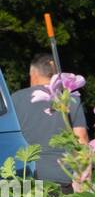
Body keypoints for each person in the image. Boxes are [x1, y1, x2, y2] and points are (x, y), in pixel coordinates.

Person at [11, 53, 89, 183]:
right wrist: (84, 178)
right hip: (62, 175)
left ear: (33, 74)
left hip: (25, 176)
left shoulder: (16, 98)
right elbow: (82, 138)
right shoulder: (70, 98)